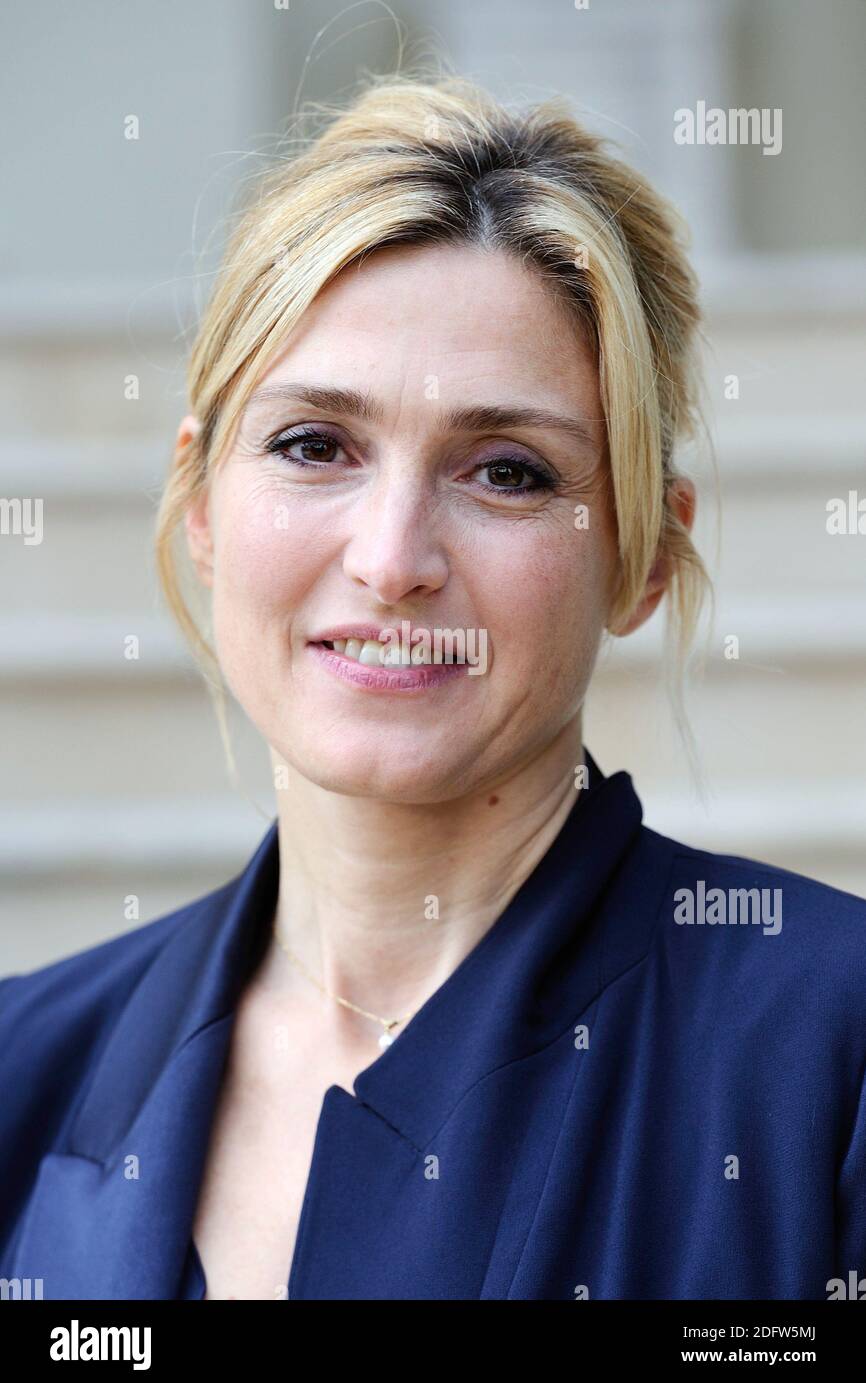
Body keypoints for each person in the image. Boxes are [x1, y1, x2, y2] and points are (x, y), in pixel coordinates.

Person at [2, 72, 865, 1302]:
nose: (391, 560)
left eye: (506, 471)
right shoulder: (22, 1064)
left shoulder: (834, 1059)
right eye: (314, 446)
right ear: (199, 504)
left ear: (641, 560)